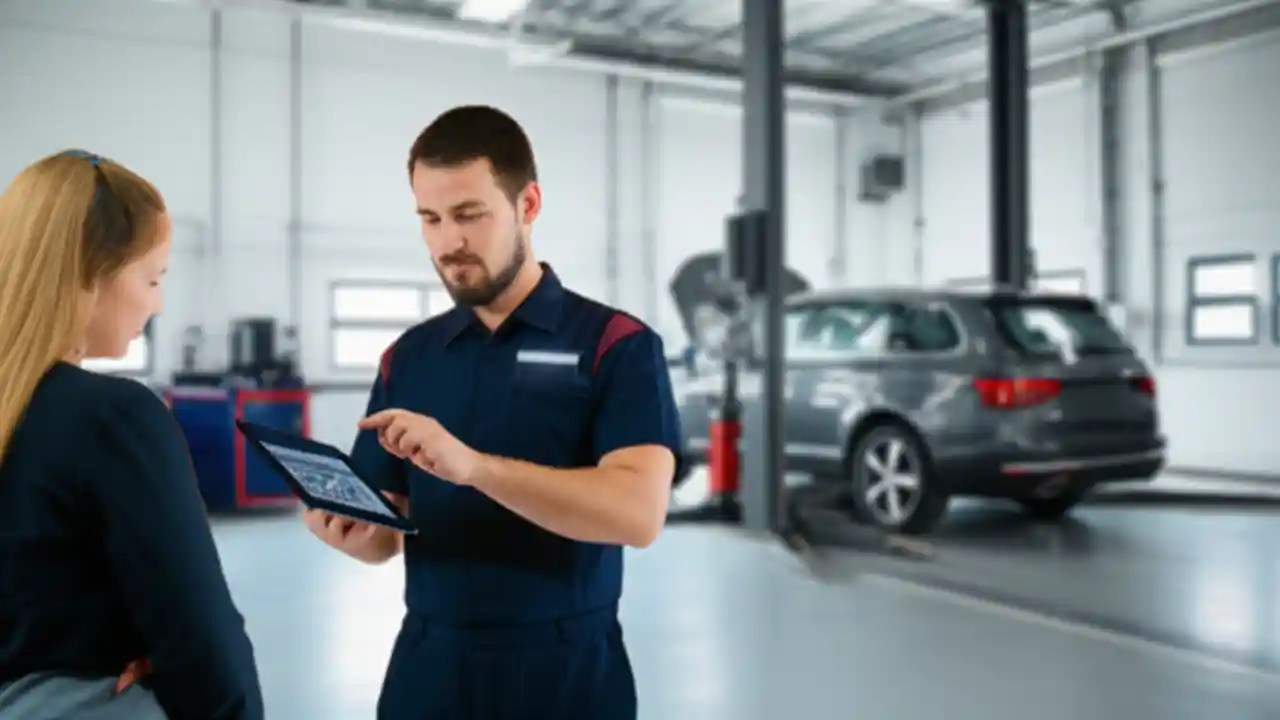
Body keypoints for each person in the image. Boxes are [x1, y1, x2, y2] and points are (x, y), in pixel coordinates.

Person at [302, 105, 682, 720]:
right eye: (430, 219)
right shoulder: (409, 357)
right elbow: (384, 537)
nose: (447, 243)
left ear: (528, 204)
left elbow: (637, 515)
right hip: (428, 669)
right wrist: (347, 530)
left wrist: (476, 469)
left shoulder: (616, 345)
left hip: (564, 673)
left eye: (469, 215)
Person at [0, 150, 264, 719]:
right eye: (152, 278)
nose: (157, 302)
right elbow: (202, 640)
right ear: (89, 273)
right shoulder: (113, 418)